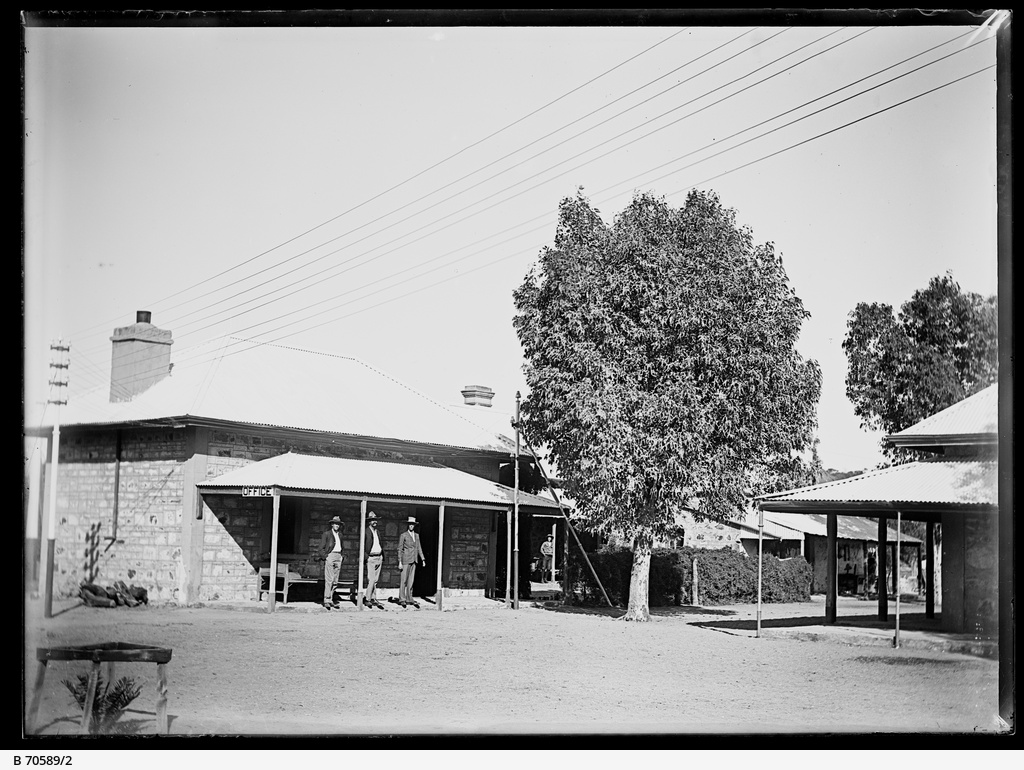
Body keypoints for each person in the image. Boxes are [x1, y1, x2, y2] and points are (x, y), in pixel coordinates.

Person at [397, 516, 425, 608]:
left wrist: (423, 559)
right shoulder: (403, 535)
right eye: (410, 524)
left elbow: (419, 547)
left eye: (413, 525)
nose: (411, 526)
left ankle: (409, 598)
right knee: (403, 580)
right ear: (408, 525)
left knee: (411, 580)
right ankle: (402, 599)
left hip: (414, 559)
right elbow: (400, 549)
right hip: (405, 560)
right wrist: (400, 561)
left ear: (414, 525)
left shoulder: (416, 535)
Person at [319, 515, 344, 610]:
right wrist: (326, 557)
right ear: (332, 524)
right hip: (330, 555)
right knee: (329, 579)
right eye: (335, 524)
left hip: (338, 556)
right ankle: (326, 599)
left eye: (338, 524)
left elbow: (342, 546)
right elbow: (321, 548)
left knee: (335, 580)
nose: (337, 525)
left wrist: (341, 556)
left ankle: (331, 599)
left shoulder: (340, 535)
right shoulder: (327, 534)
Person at [363, 511, 385, 609]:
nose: (374, 522)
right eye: (372, 520)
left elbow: (380, 543)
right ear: (369, 522)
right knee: (371, 579)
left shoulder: (377, 532)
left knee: (375, 580)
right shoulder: (366, 531)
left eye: (375, 520)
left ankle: (373, 598)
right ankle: (367, 599)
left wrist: (382, 555)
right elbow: (363, 545)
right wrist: (366, 557)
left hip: (378, 557)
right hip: (371, 557)